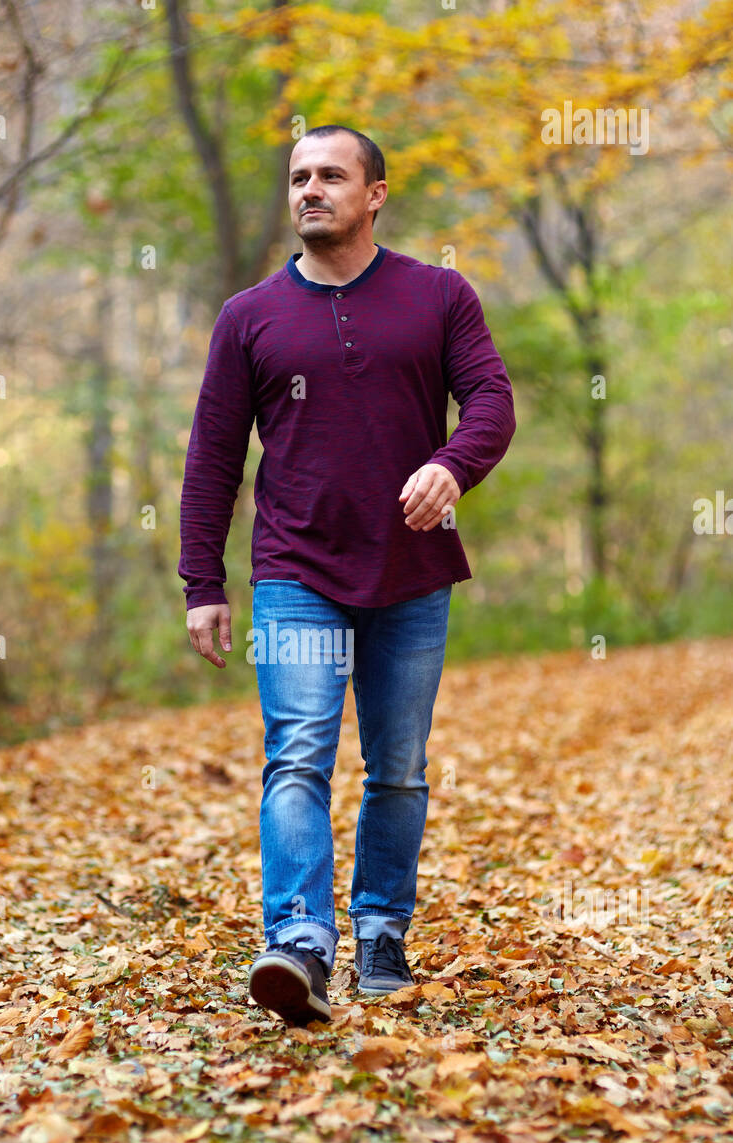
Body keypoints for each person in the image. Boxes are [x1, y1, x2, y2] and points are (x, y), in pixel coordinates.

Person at [178, 125, 515, 1026]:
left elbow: (490, 398)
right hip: (295, 569)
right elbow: (213, 456)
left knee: (398, 768)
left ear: (376, 194)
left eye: (331, 175)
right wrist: (201, 584)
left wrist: (453, 465)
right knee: (296, 756)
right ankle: (298, 943)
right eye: (298, 177)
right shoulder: (249, 316)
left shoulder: (437, 296)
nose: (310, 189)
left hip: (412, 569)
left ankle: (379, 932)